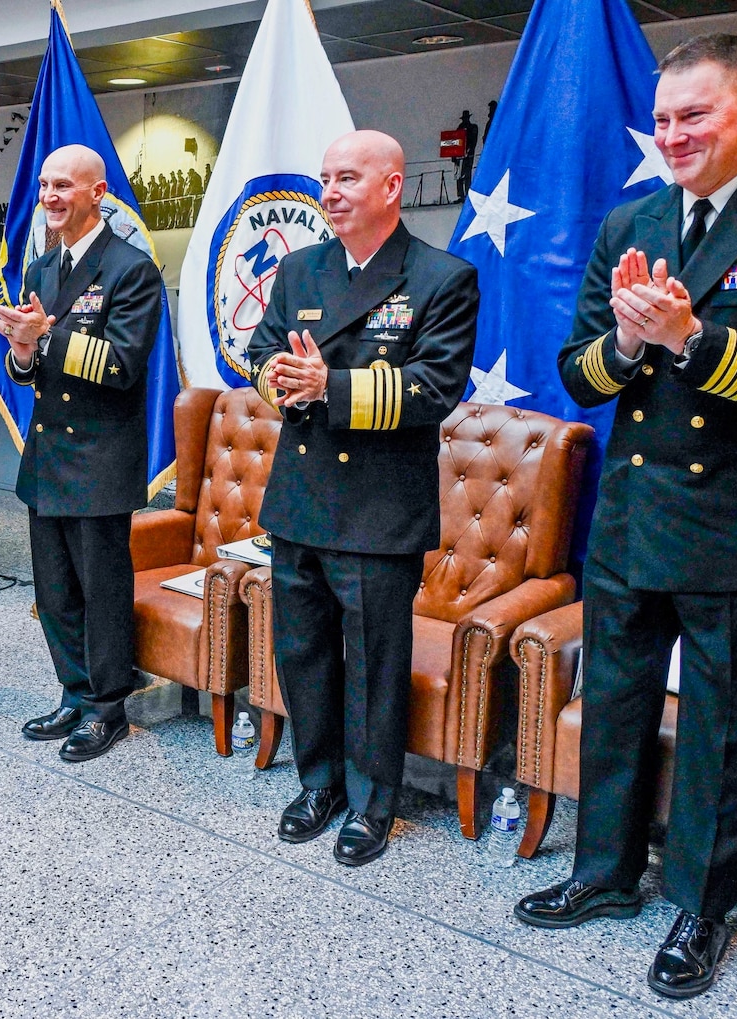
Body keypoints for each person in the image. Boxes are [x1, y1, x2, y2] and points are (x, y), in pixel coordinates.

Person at [515, 35, 737, 1000]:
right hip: (633, 516)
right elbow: (576, 371)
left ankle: (702, 908)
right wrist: (630, 345)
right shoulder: (633, 218)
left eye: (695, 115)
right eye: (664, 119)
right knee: (618, 702)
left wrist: (694, 338)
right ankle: (603, 872)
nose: (674, 134)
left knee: (721, 724)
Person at [246, 130, 478, 866]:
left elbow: (435, 390)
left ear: (391, 188)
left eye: (348, 177)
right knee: (303, 651)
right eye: (325, 177)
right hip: (301, 498)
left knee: (375, 662)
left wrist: (331, 387)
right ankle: (319, 783)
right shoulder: (299, 270)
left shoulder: (441, 277)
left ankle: (375, 800)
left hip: (380, 508)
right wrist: (278, 378)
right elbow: (259, 353)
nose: (331, 191)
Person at [0, 144, 163, 763]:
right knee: (55, 591)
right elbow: (29, 370)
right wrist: (24, 352)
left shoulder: (131, 269)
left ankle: (107, 706)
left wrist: (46, 338)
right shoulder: (40, 269)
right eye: (43, 186)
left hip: (100, 456)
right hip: (48, 455)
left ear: (99, 192)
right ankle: (73, 690)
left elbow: (120, 365)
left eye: (64, 185)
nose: (50, 197)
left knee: (100, 590)